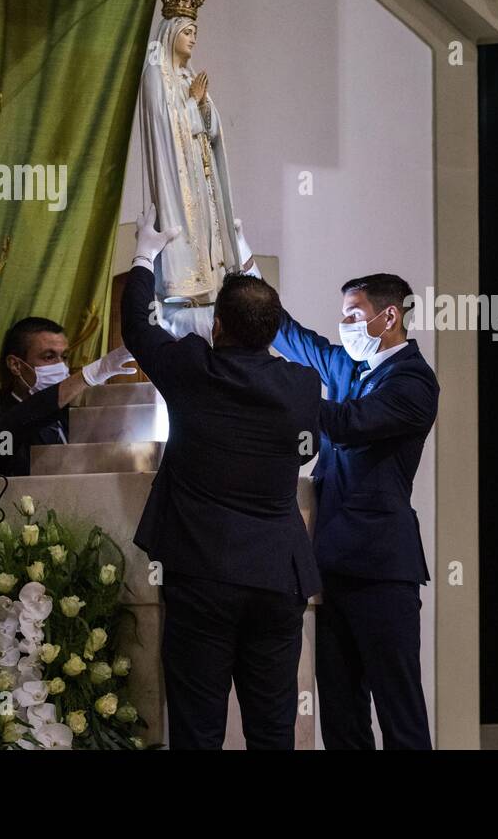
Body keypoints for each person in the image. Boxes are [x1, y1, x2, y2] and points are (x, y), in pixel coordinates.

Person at [231, 221, 438, 749]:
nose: (344, 326)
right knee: (342, 719)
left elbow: (350, 424)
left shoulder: (413, 382)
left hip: (382, 570)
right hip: (332, 569)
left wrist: (277, 393)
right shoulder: (353, 368)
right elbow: (293, 337)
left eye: (353, 316)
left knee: (400, 712)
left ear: (388, 316)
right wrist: (246, 261)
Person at [123, 209, 322, 750]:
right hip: (278, 577)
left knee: (198, 729)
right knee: (273, 729)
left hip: (203, 573)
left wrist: (144, 254)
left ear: (216, 327)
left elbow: (138, 328)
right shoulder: (302, 386)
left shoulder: (194, 369)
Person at [141, 0, 246, 342]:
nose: (193, 40)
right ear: (170, 34)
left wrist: (201, 104)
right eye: (188, 33)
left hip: (201, 176)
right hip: (178, 176)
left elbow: (212, 131)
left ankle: (210, 284)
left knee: (210, 234)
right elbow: (163, 129)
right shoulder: (157, 75)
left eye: (196, 34)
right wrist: (190, 102)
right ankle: (186, 286)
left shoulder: (186, 76)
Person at [0, 318, 136, 476]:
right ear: (16, 365)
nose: (61, 365)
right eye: (49, 357)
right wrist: (87, 376)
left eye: (64, 357)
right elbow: (23, 417)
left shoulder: (72, 414)